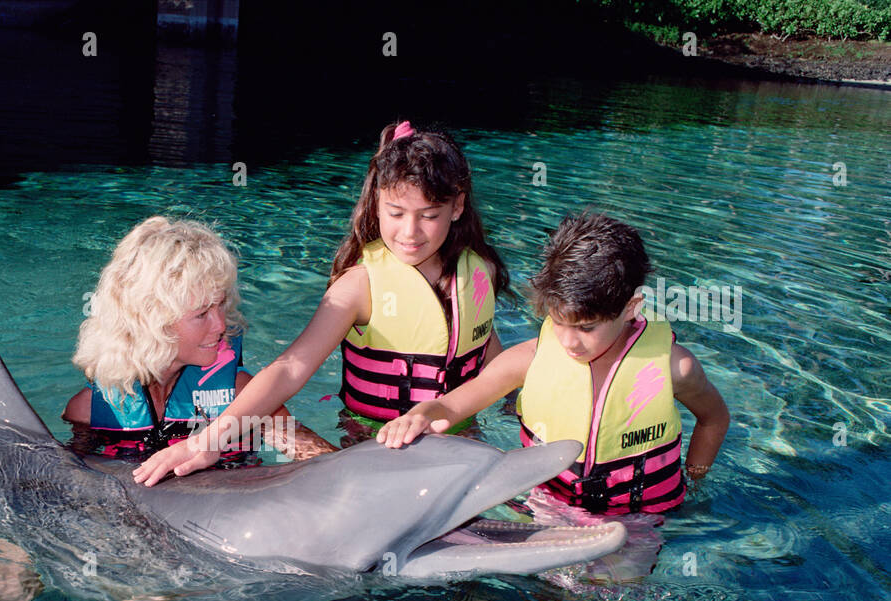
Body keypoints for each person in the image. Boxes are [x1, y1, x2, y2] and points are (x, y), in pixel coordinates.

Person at [133, 119, 509, 486]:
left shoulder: (480, 273)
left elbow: (476, 340)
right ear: (377, 203)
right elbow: (290, 369)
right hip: (376, 446)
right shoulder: (360, 286)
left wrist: (515, 404)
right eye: (396, 214)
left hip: (462, 437)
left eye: (429, 216)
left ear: (457, 207)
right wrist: (207, 442)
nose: (410, 232)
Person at [377, 211, 731, 522]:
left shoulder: (675, 368)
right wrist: (421, 414)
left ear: (631, 307)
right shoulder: (528, 360)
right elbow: (452, 405)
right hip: (547, 509)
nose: (568, 341)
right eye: (557, 322)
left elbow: (714, 417)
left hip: (638, 519)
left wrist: (695, 480)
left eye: (586, 328)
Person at [64, 215, 332, 462]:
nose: (221, 324)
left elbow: (321, 463)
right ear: (150, 322)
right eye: (202, 313)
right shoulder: (88, 411)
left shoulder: (243, 397)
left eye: (221, 305)